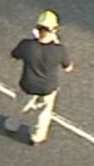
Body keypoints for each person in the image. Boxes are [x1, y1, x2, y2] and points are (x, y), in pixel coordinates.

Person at [4, 9, 73, 146]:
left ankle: (12, 125)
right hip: (48, 87)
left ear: (36, 28)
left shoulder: (26, 45)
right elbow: (68, 67)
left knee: (20, 106)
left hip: (28, 85)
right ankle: (37, 136)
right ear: (54, 30)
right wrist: (56, 43)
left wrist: (33, 41)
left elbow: (14, 55)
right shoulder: (59, 50)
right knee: (44, 112)